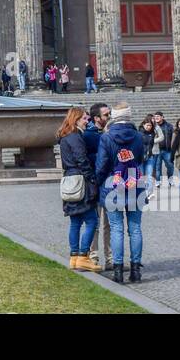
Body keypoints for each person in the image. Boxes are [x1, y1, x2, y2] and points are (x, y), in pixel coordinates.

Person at [95, 104, 146, 283]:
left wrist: (99, 181)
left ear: (114, 117)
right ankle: (135, 269)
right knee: (135, 228)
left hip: (113, 183)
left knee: (116, 228)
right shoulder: (138, 136)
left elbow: (102, 164)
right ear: (129, 116)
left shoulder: (107, 137)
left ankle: (117, 270)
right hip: (134, 182)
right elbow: (140, 158)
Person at [58, 107, 101, 272]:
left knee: (75, 221)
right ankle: (83, 256)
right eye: (84, 118)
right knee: (92, 220)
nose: (87, 121)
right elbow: (81, 159)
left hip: (69, 178)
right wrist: (92, 178)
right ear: (76, 119)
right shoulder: (75, 136)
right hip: (80, 179)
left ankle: (74, 257)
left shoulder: (64, 136)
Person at [85, 103, 114, 272]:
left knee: (110, 225)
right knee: (94, 223)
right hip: (96, 184)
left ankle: (110, 259)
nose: (109, 117)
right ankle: (94, 257)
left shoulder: (111, 134)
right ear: (96, 118)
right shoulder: (89, 136)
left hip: (110, 185)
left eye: (109, 114)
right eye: (106, 115)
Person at [139, 115, 162, 183]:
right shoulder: (138, 134)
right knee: (142, 175)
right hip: (140, 157)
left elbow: (152, 144)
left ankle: (149, 192)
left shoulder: (152, 134)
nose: (149, 127)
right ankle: (143, 191)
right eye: (147, 125)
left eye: (150, 126)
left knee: (149, 175)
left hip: (150, 156)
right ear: (143, 125)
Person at [155, 112, 175, 183]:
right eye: (155, 116)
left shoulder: (169, 126)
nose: (156, 118)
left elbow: (173, 137)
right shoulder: (153, 126)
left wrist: (173, 147)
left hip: (167, 150)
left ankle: (170, 179)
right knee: (157, 167)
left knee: (170, 165)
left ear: (162, 117)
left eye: (158, 116)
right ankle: (158, 181)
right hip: (156, 150)